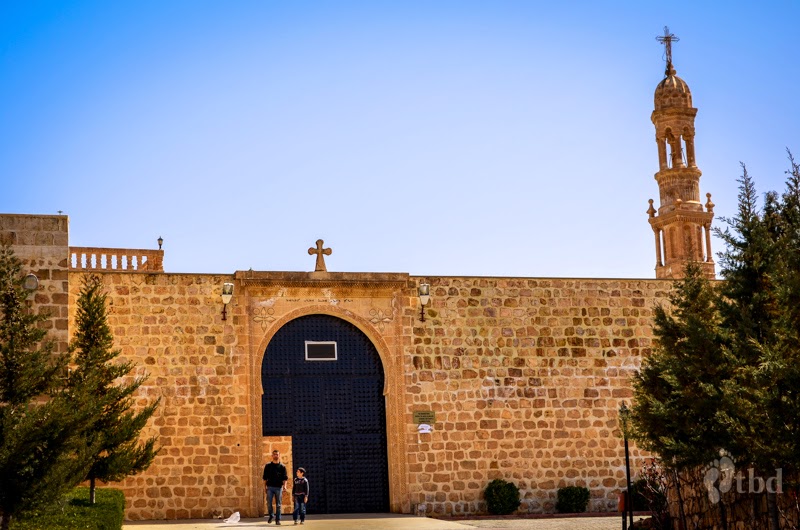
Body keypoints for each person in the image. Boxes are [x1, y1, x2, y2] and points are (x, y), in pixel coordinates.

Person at [263, 450, 288, 525]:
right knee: (269, 503)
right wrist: (265, 487)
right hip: (270, 487)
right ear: (272, 456)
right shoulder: (268, 466)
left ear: (279, 455)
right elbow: (264, 478)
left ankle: (278, 520)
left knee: (278, 505)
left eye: (277, 454)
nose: (275, 456)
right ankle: (271, 515)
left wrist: (285, 486)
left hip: (278, 487)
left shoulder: (282, 467)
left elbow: (285, 478)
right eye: (274, 454)